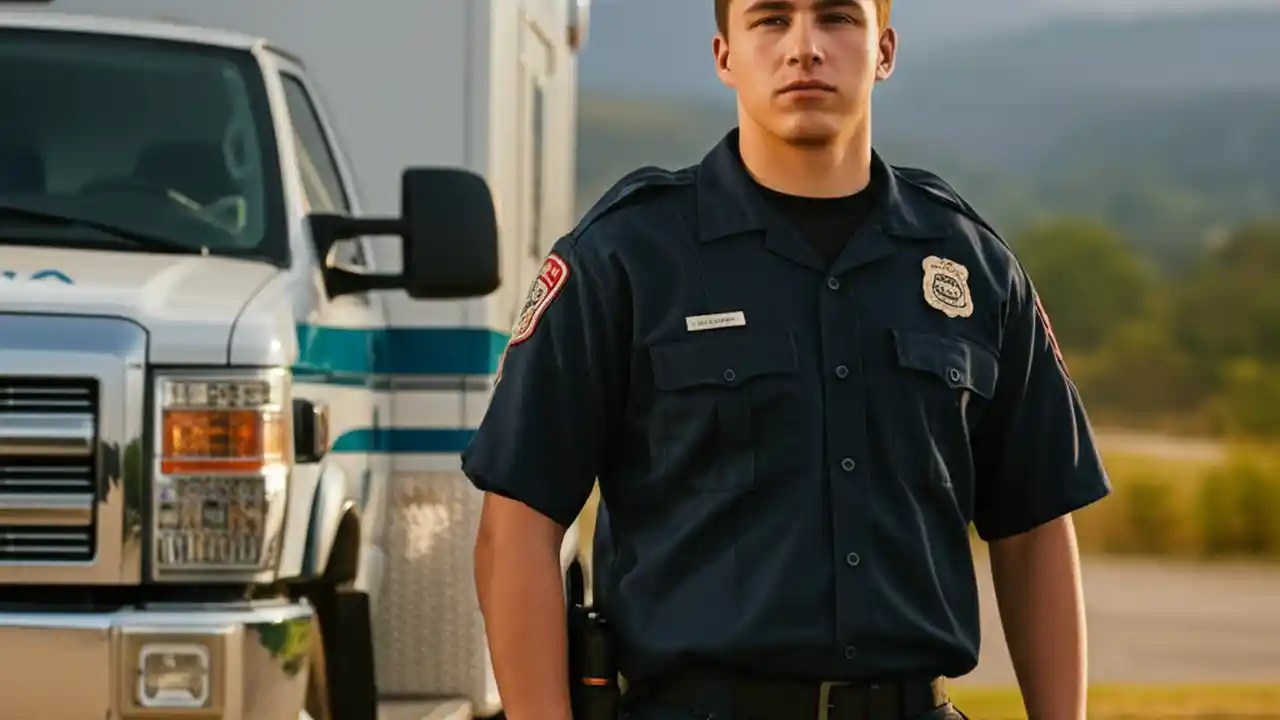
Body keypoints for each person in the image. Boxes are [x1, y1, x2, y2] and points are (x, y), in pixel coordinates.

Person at [462, 0, 1111, 718]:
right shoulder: (626, 258)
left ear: (884, 49)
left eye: (837, 17)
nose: (804, 47)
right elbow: (517, 525)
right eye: (771, 19)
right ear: (725, 56)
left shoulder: (970, 265)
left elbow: (1035, 529)